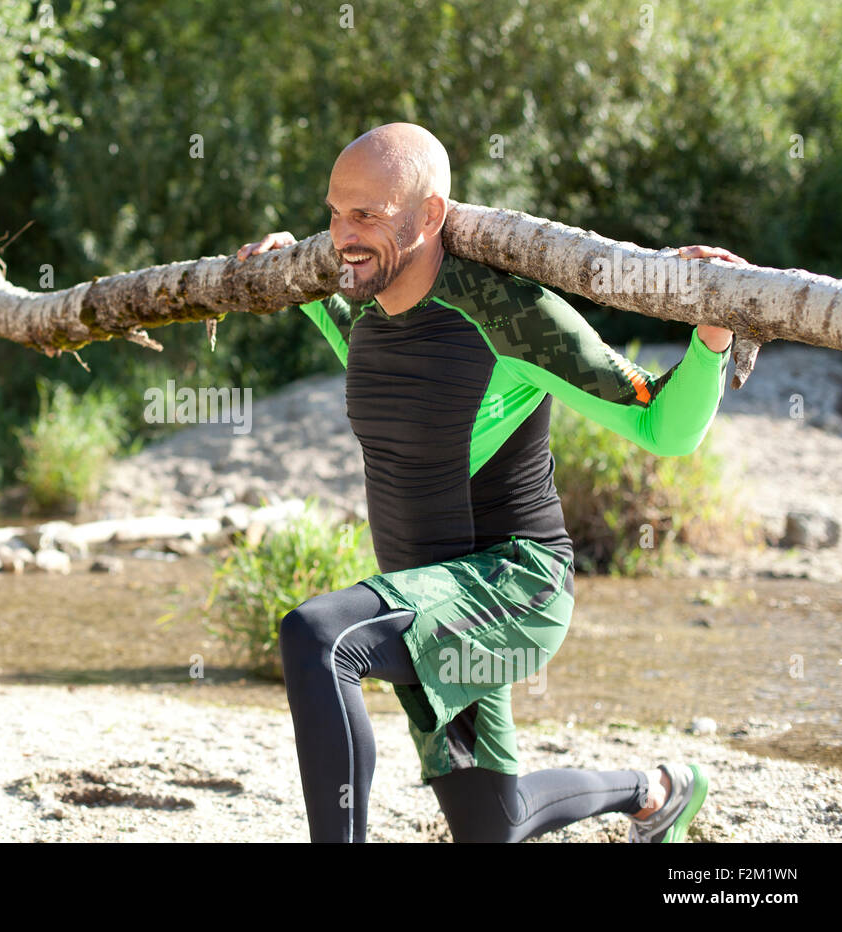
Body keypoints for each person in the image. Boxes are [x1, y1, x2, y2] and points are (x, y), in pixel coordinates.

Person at [236, 122, 739, 843]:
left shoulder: (512, 315)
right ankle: (657, 792)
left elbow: (666, 429)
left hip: (514, 588)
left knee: (319, 637)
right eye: (334, 212)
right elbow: (323, 302)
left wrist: (712, 336)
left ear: (431, 215)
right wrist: (282, 264)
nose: (341, 235)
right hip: (426, 597)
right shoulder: (362, 305)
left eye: (367, 215)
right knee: (489, 824)